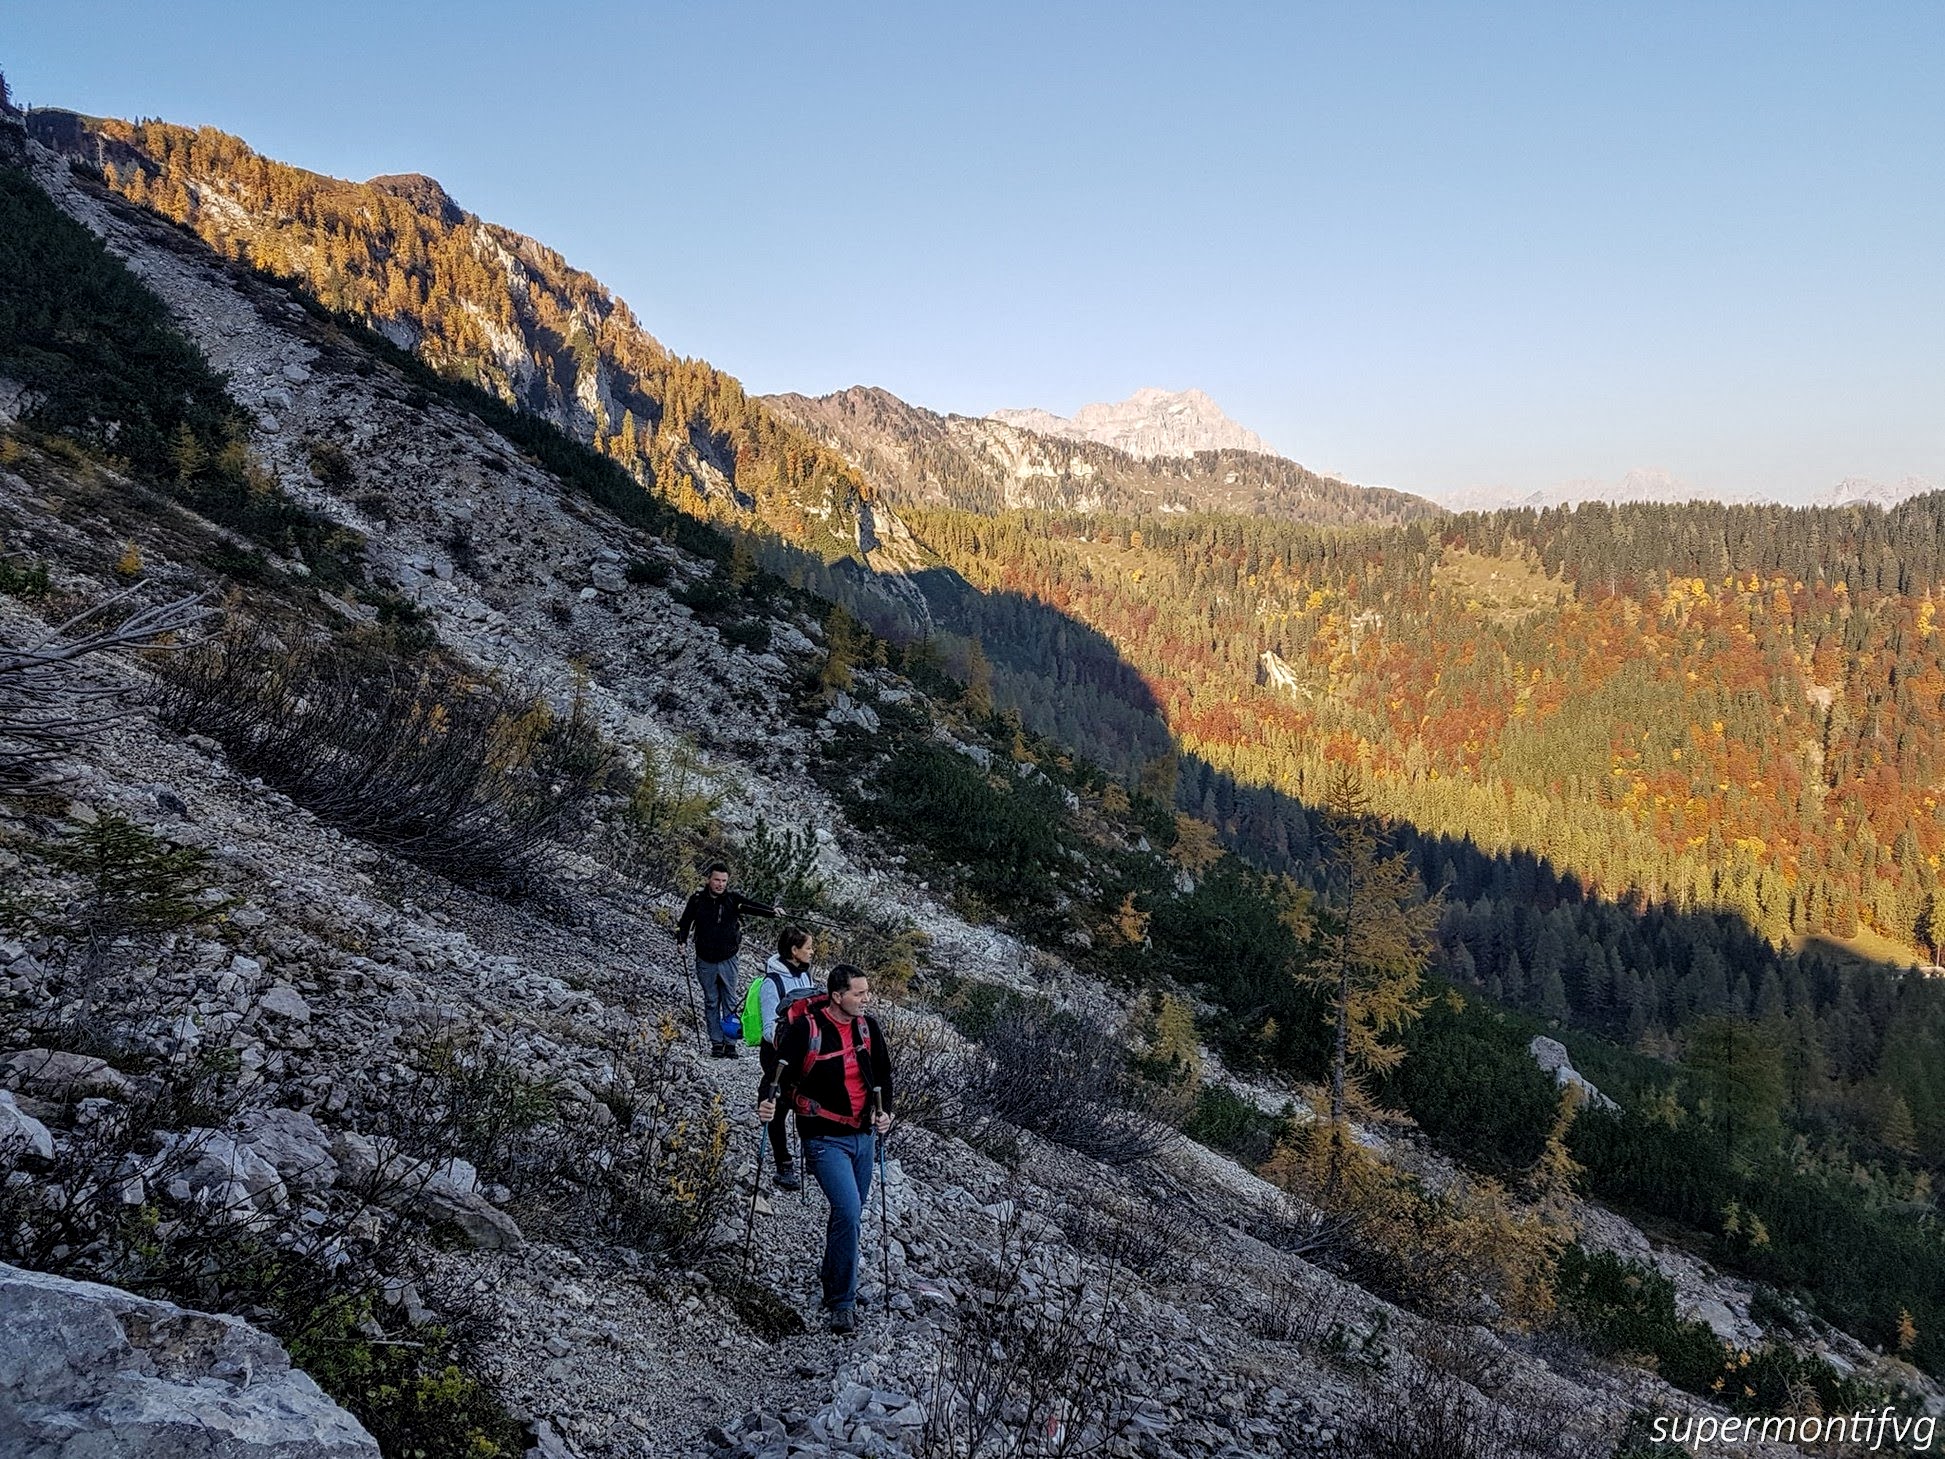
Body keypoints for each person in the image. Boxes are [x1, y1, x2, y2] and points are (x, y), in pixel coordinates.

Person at [757, 964, 893, 1333]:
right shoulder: (806, 1029)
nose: (867, 999)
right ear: (837, 996)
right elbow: (776, 1073)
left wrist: (887, 1114)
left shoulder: (869, 1026)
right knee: (848, 1211)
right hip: (821, 1136)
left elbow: (882, 1074)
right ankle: (842, 1302)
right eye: (859, 993)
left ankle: (834, 1277)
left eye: (867, 992)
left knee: (849, 1213)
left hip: (863, 1135)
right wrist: (766, 1104)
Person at [675, 862, 782, 1059]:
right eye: (716, 880)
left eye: (724, 881)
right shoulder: (697, 900)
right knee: (711, 1001)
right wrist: (681, 941)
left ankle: (730, 1043)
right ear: (709, 879)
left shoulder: (733, 900)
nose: (720, 884)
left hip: (729, 959)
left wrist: (771, 911)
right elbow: (685, 921)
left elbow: (752, 907)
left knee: (730, 1001)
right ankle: (716, 1043)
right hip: (705, 959)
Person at [754, 925, 819, 1190]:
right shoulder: (772, 983)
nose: (812, 952)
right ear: (794, 950)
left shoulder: (805, 976)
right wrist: (794, 1038)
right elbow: (769, 1029)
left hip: (803, 1054)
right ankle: (784, 1163)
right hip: (778, 1055)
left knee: (807, 1104)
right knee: (776, 1107)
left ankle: (811, 1155)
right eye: (808, 948)